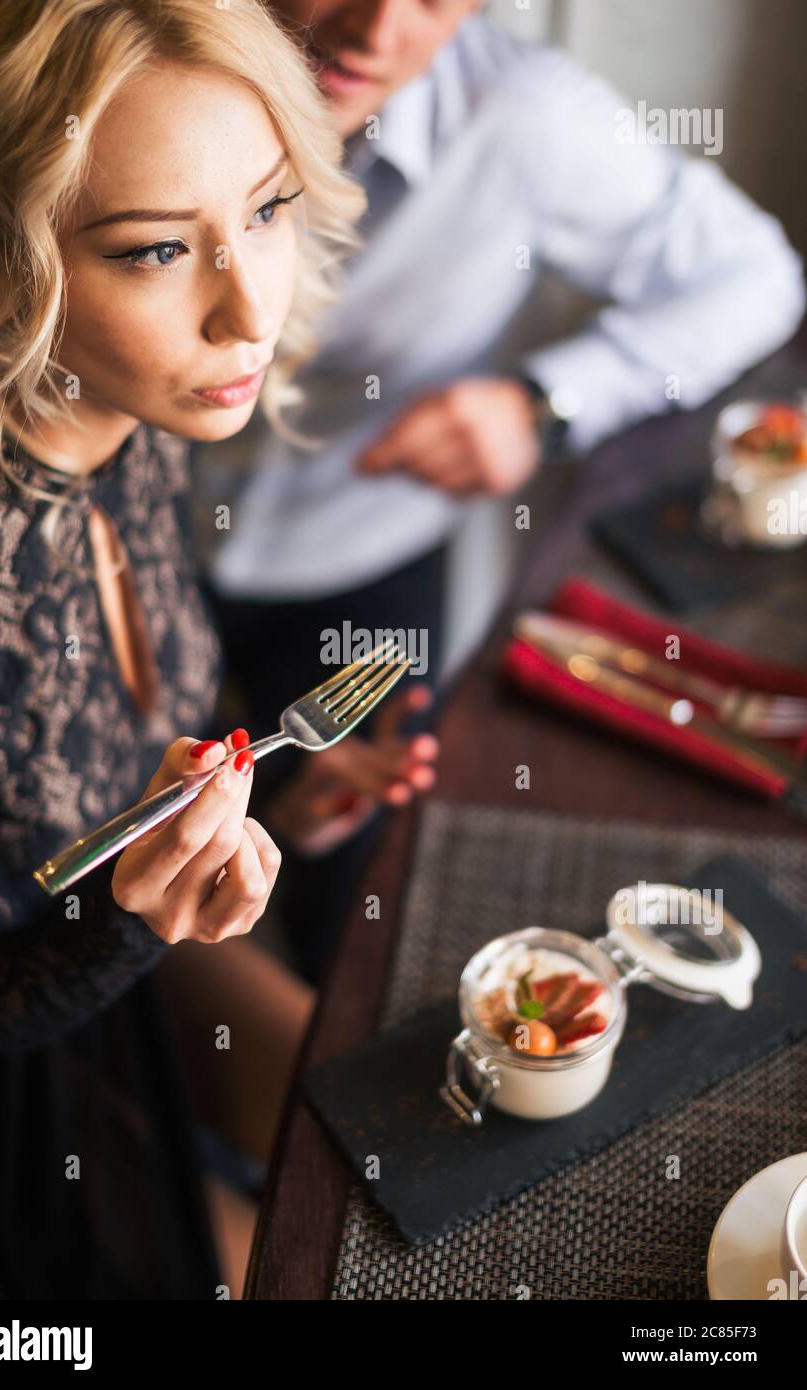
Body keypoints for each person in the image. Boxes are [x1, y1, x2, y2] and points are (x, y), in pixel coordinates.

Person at [200, 0, 806, 973]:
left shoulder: (524, 120)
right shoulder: (135, 73)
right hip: (114, 550)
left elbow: (752, 276)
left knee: (356, 885)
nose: (372, 28)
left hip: (356, 552)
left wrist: (542, 403)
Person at [0, 0, 384, 1300]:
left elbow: (139, 736)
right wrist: (135, 912)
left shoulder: (113, 421)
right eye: (152, 252)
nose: (249, 307)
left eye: (263, 209)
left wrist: (280, 791)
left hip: (130, 999)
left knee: (416, 1132)